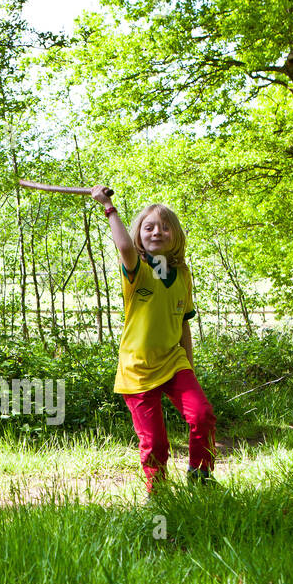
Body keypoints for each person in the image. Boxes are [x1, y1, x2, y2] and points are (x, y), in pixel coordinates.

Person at [92, 185, 216, 492]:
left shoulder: (183, 275)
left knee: (202, 414)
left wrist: (190, 365)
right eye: (149, 227)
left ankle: (200, 478)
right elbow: (123, 248)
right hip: (137, 368)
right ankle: (158, 494)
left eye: (164, 227)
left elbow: (185, 323)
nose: (157, 232)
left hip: (174, 362)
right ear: (139, 235)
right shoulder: (138, 270)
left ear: (175, 235)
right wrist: (109, 207)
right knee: (155, 442)